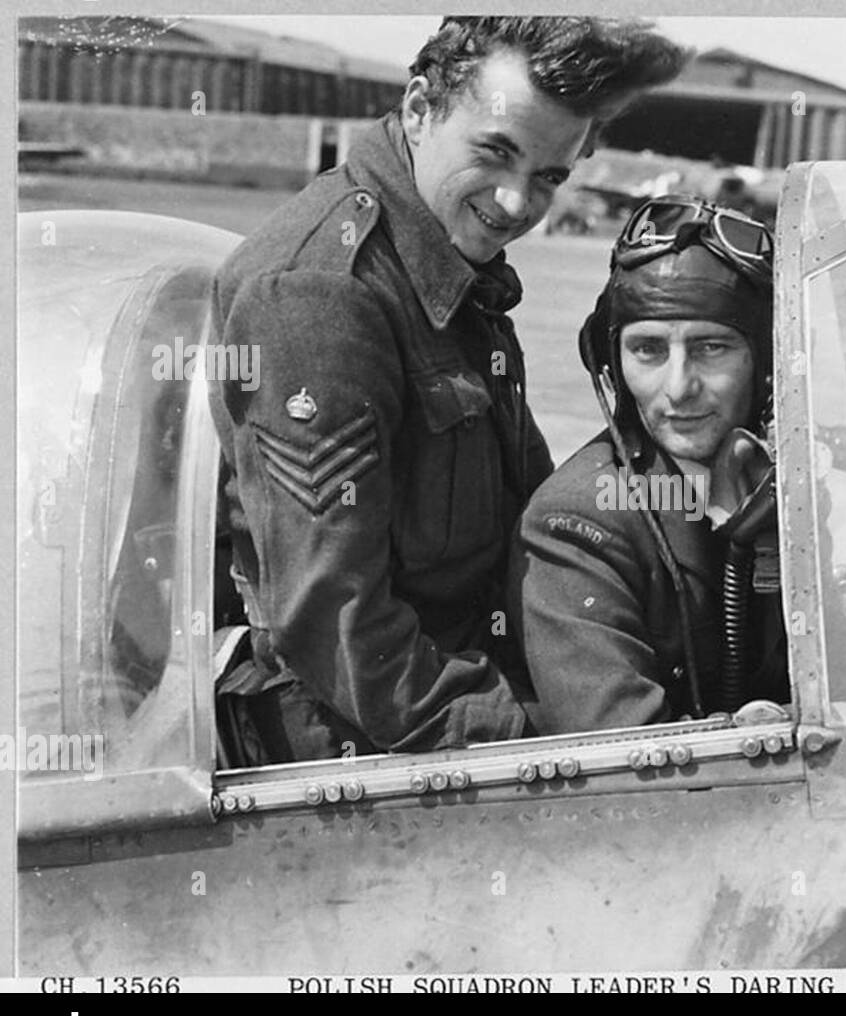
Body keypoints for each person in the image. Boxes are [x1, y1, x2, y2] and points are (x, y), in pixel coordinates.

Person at [209, 17, 688, 764]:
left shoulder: (445, 262)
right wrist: (528, 744)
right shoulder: (322, 293)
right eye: (495, 153)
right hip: (363, 751)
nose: (513, 202)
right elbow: (335, 625)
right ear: (419, 107)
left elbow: (524, 521)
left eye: (549, 177)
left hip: (461, 688)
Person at [508, 196, 788, 734]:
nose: (679, 388)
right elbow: (628, 754)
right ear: (612, 362)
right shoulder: (578, 523)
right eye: (648, 350)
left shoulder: (796, 483)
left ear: (768, 361)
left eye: (711, 348)